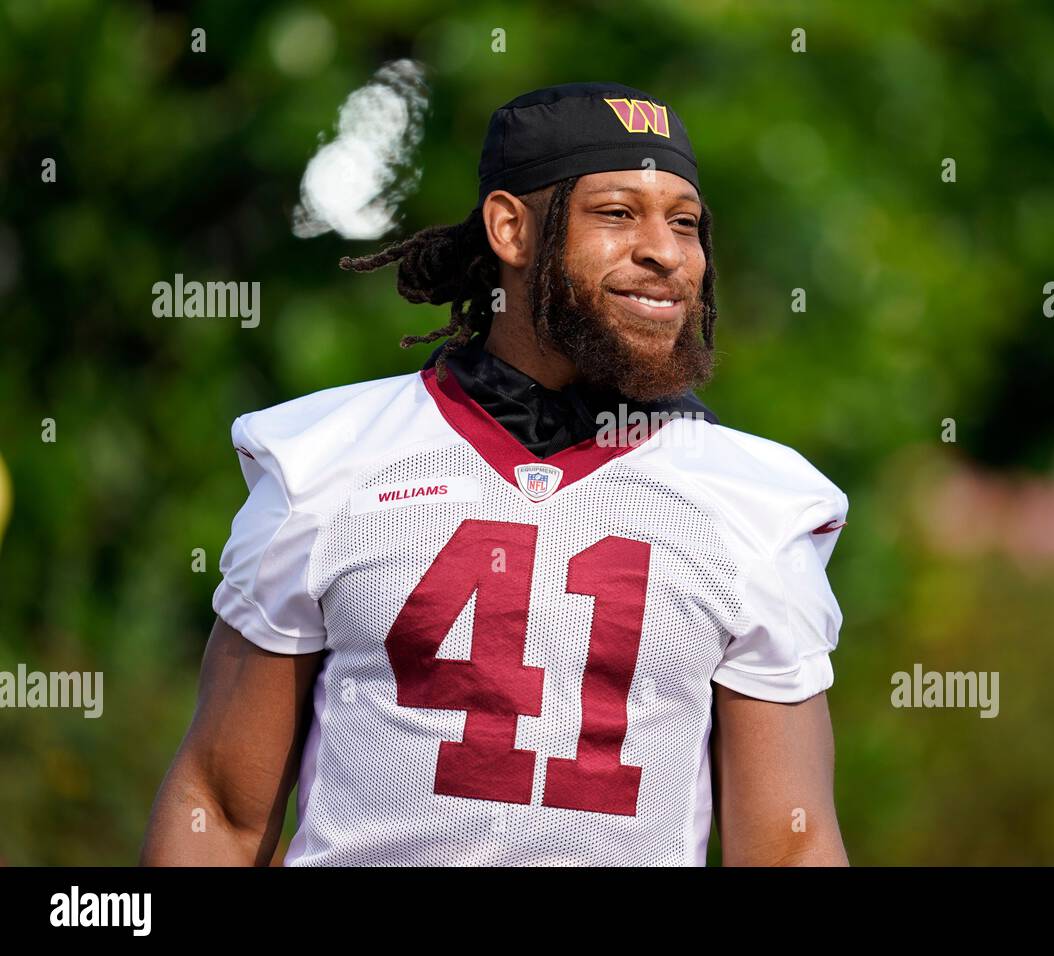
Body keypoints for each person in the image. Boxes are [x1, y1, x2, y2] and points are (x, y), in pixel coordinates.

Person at [142, 81, 850, 866]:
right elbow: (218, 806)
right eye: (618, 213)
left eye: (686, 223)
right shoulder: (329, 460)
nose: (668, 252)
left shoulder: (752, 499)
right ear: (511, 228)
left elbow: (790, 847)